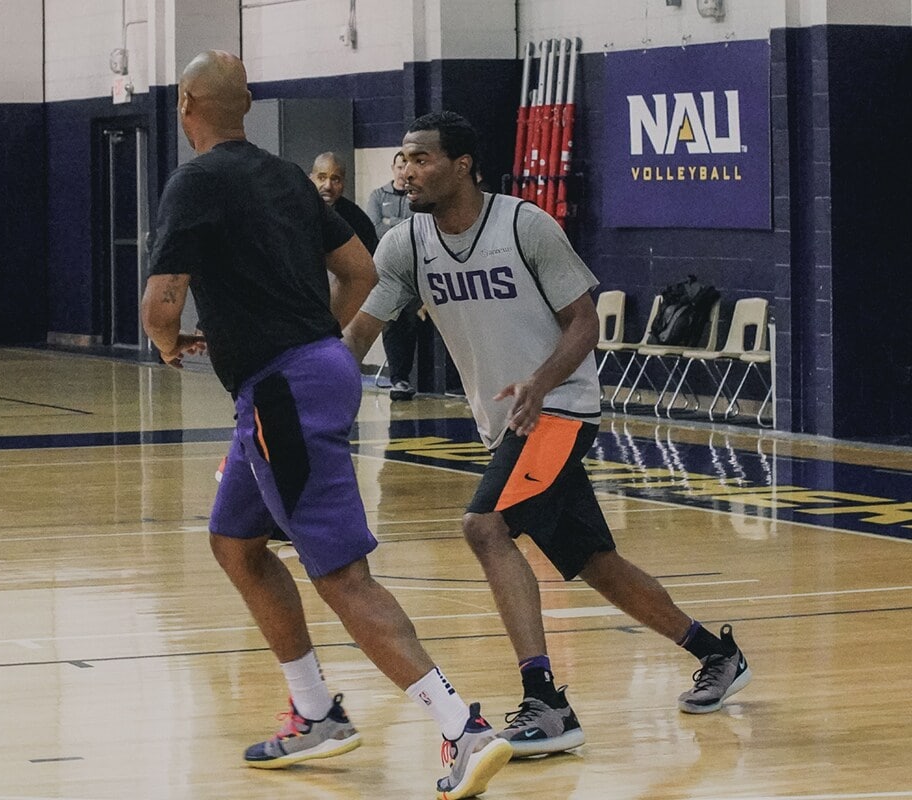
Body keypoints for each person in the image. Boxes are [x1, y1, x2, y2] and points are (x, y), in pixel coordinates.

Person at [141, 54, 512, 799]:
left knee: (342, 575)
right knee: (235, 542)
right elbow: (361, 273)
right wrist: (318, 348)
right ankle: (315, 713)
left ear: (185, 104)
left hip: (283, 392)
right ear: (246, 104)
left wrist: (167, 342)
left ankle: (461, 727)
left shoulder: (195, 183)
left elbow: (161, 303)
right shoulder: (286, 177)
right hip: (311, 375)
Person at [342, 110, 752, 759]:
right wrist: (311, 389)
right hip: (506, 423)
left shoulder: (523, 225)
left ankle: (547, 703)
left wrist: (540, 382)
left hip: (560, 408)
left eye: (421, 158)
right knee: (596, 564)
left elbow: (584, 323)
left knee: (485, 527)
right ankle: (717, 654)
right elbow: (361, 332)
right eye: (404, 159)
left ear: (462, 166)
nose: (407, 171)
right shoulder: (405, 244)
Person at [366, 150, 420, 401]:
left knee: (409, 322)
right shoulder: (378, 196)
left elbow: (418, 227)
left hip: (414, 270)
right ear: (393, 168)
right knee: (389, 322)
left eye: (406, 166)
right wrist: (401, 223)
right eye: (399, 166)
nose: (402, 171)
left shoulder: (416, 196)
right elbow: (375, 228)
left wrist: (391, 222)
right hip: (386, 272)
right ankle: (398, 378)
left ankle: (406, 378)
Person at [309, 151, 378, 255]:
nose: (328, 186)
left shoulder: (357, 218)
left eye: (335, 179)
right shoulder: (297, 212)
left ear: (343, 183)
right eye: (322, 178)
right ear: (311, 179)